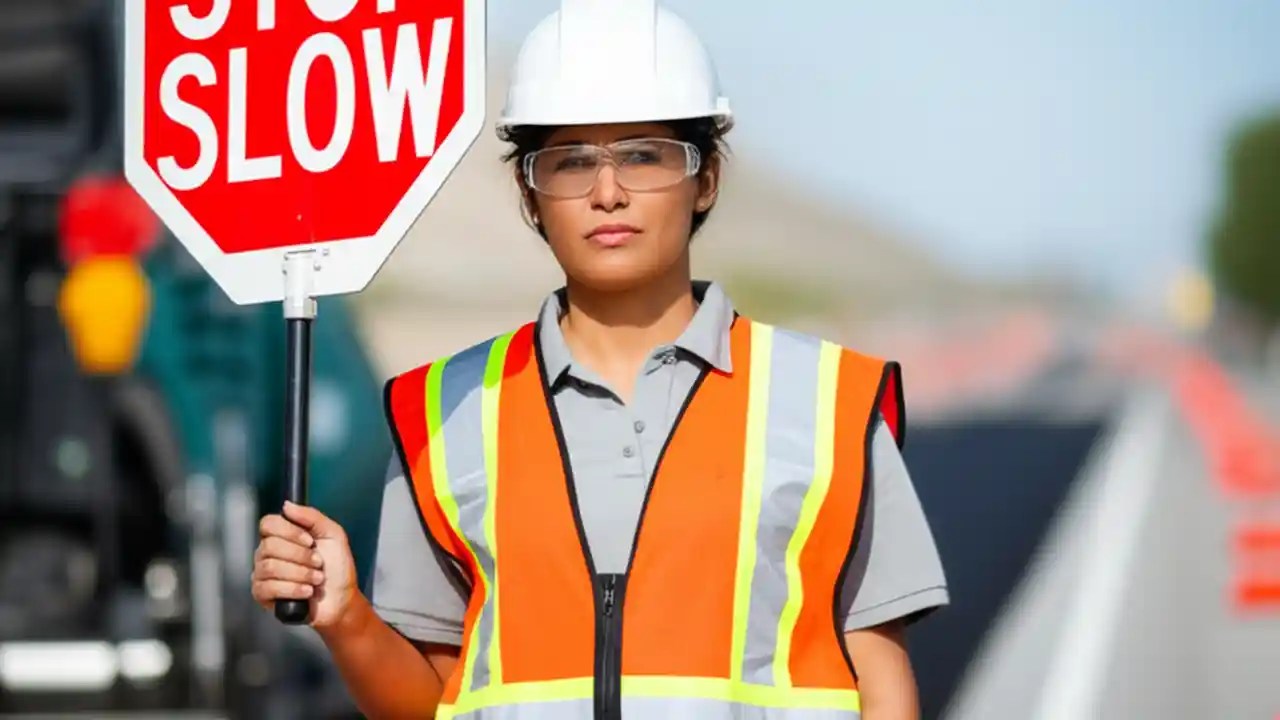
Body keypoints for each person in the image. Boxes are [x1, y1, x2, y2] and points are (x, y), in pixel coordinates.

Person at [251, 1, 948, 718]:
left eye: (643, 155)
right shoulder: (443, 413)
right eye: (572, 161)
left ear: (705, 178)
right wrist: (347, 616)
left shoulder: (830, 400)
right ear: (529, 190)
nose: (607, 192)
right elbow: (430, 704)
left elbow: (881, 679)